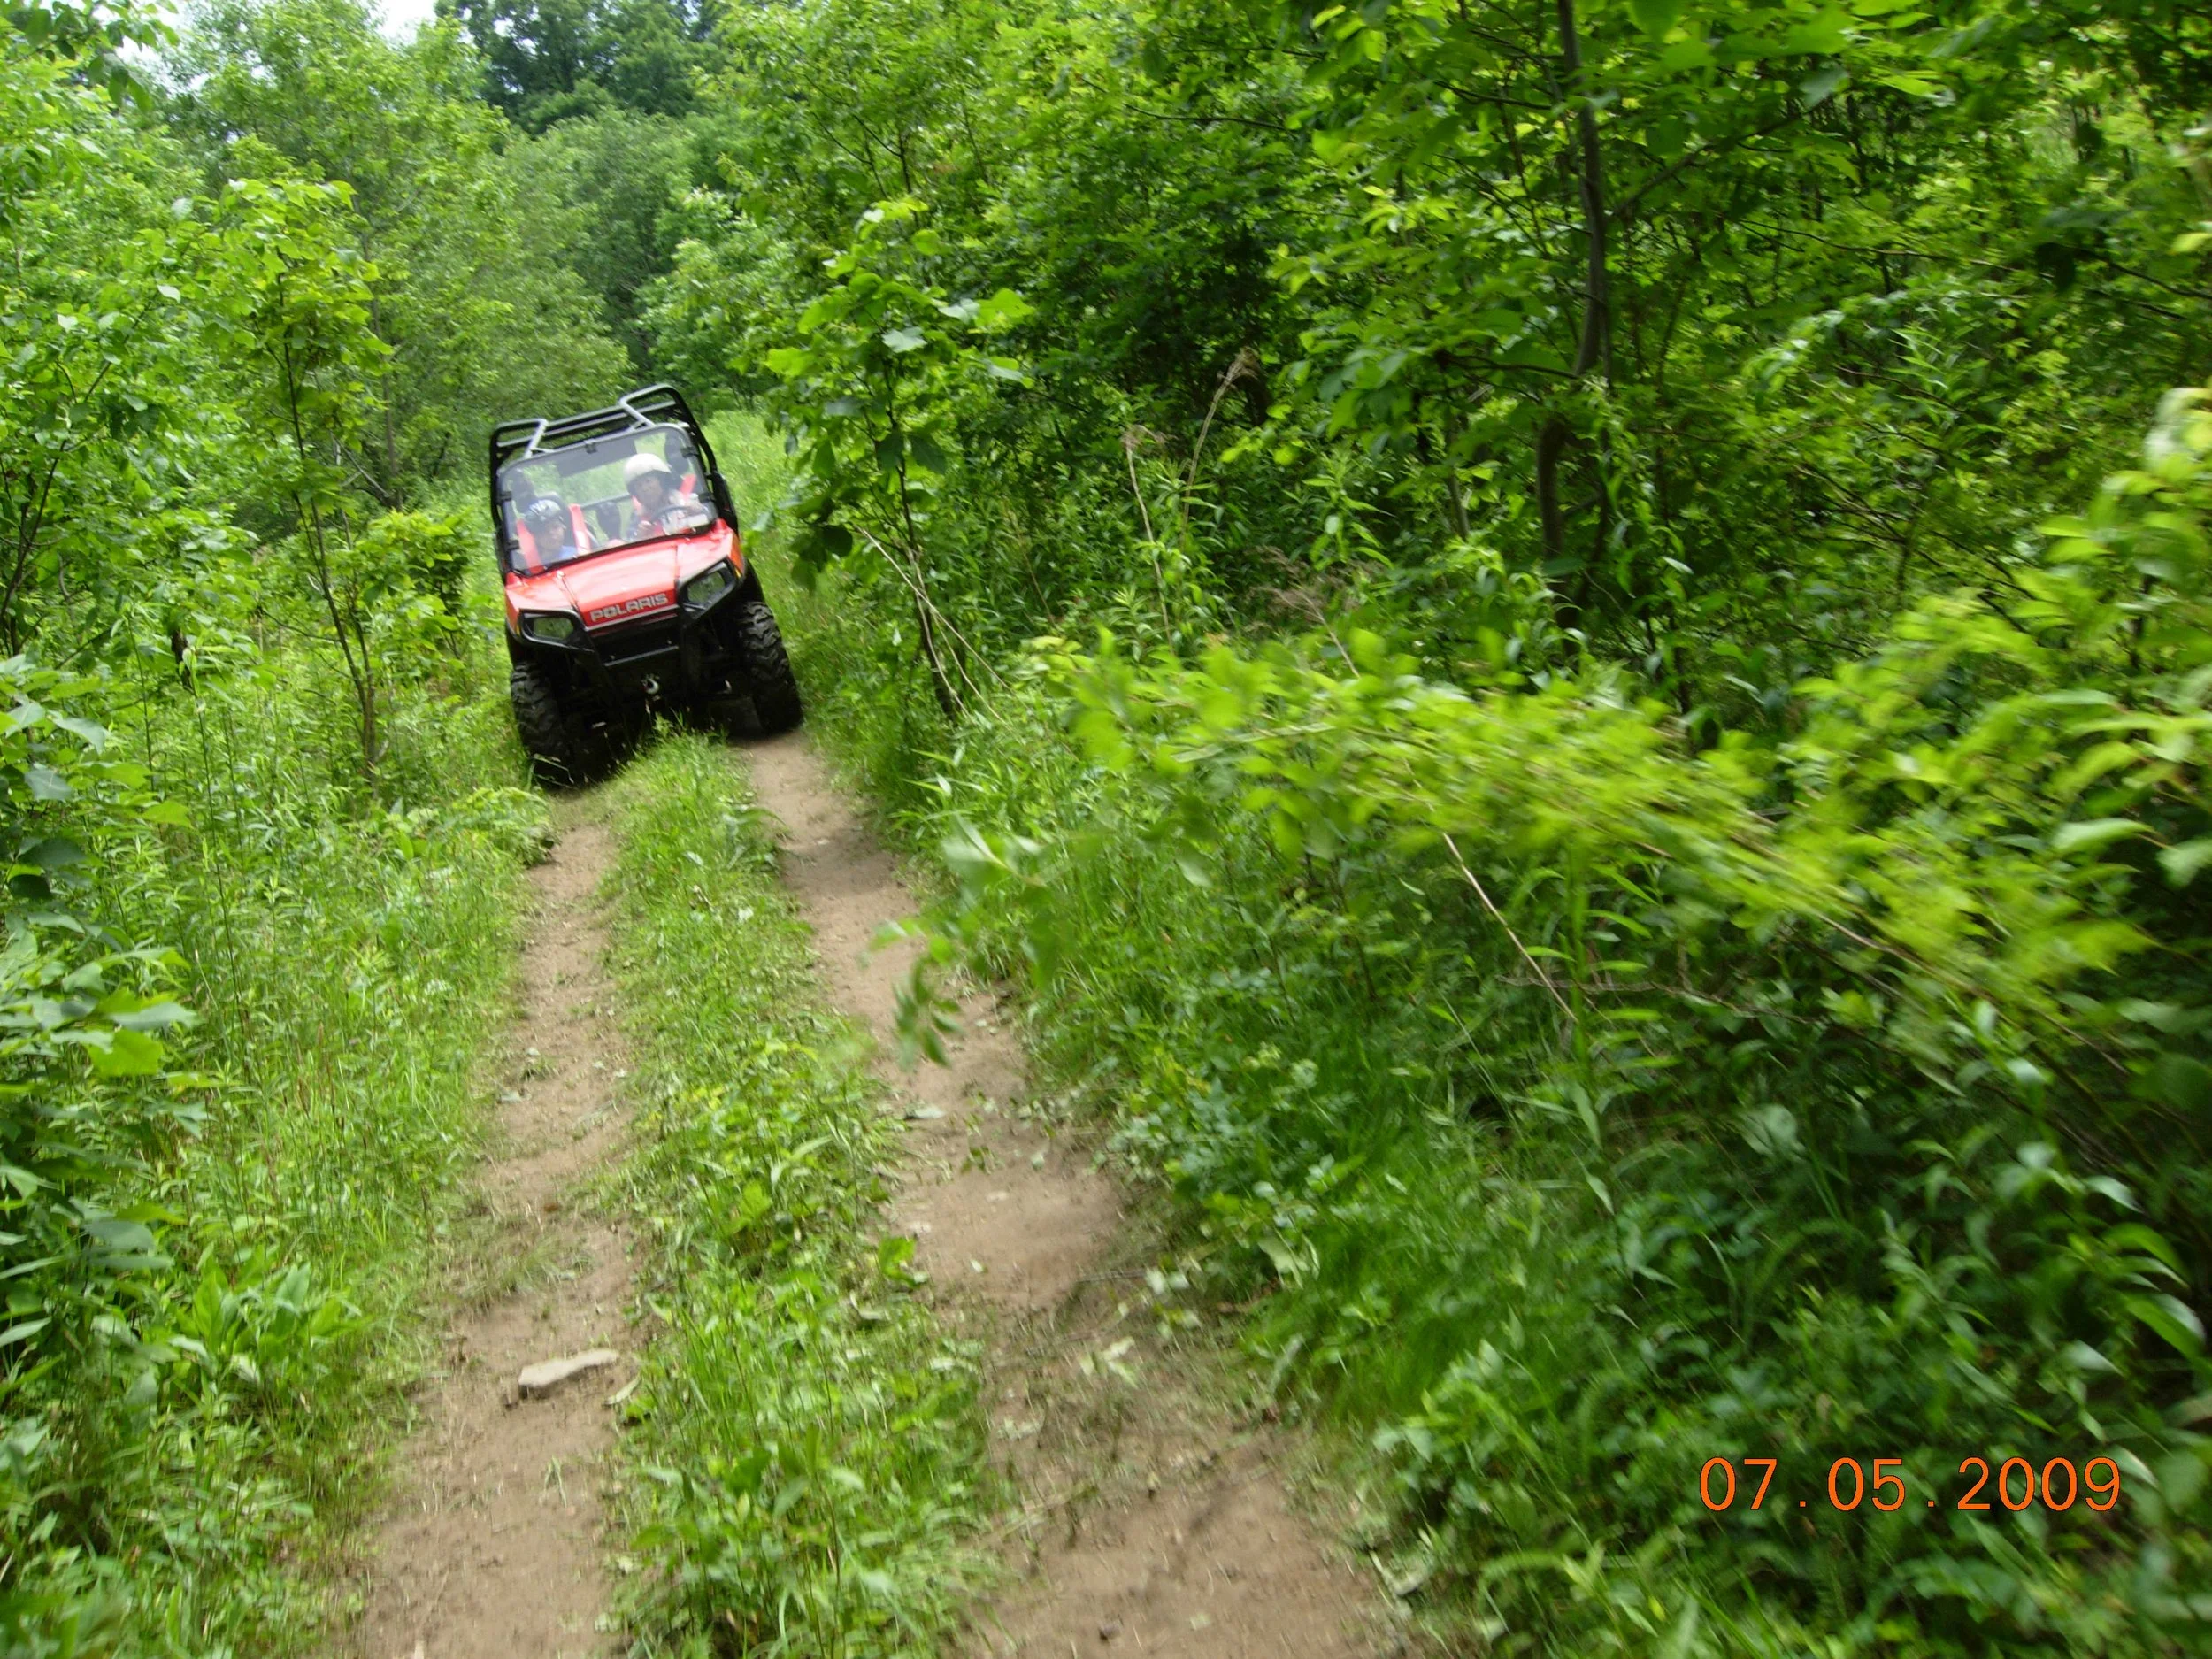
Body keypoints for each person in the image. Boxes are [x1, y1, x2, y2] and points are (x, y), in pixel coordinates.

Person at [624, 452, 703, 538]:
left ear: (662, 481)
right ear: (636, 493)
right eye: (639, 486)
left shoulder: (688, 499)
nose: (645, 489)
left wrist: (699, 511)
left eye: (648, 481)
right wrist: (640, 536)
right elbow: (630, 541)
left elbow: (712, 522)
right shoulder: (637, 520)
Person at [519, 494, 580, 567]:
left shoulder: (578, 554)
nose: (551, 533)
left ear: (563, 527)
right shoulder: (531, 567)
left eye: (555, 527)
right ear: (536, 537)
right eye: (544, 531)